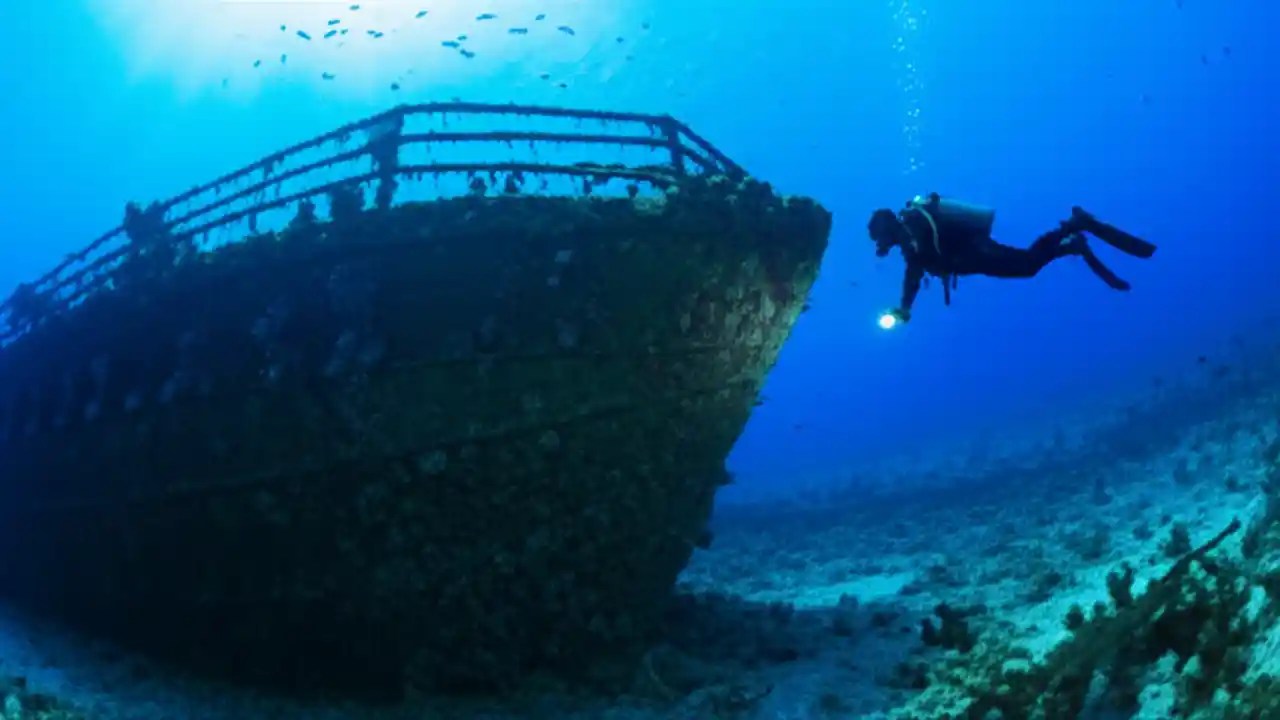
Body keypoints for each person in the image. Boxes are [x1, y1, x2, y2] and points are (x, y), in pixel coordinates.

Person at [868, 193, 1156, 324]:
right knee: (1027, 267)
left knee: (1027, 264)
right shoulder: (910, 235)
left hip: (976, 252)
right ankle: (1069, 244)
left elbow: (914, 271)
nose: (881, 245)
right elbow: (915, 270)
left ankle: (1071, 228)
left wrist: (905, 306)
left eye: (880, 238)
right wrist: (905, 306)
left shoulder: (911, 231)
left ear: (887, 228)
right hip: (973, 259)